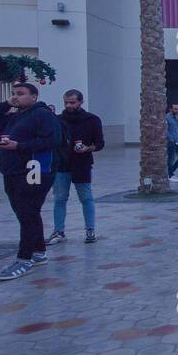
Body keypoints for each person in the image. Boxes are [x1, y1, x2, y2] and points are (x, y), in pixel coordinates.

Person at [0, 82, 59, 281]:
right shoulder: (13, 116)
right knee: (26, 212)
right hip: (11, 171)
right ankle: (39, 252)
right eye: (14, 94)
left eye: (21, 94)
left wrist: (18, 146)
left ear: (34, 96)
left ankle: (24, 259)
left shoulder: (42, 115)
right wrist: (7, 103)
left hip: (34, 170)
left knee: (28, 212)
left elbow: (50, 142)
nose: (16, 97)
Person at [47, 90, 104, 245]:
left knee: (86, 197)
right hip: (61, 165)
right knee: (59, 198)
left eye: (72, 102)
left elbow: (99, 144)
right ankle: (59, 231)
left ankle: (90, 229)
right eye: (66, 102)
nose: (69, 105)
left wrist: (87, 148)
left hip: (82, 164)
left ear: (80, 102)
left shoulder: (91, 120)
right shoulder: (58, 120)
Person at [165, 103, 178, 182]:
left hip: (177, 140)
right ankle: (170, 175)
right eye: (175, 109)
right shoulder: (167, 117)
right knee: (171, 159)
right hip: (171, 141)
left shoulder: (177, 117)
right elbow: (165, 130)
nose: (177, 110)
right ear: (171, 109)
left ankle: (169, 172)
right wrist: (170, 138)